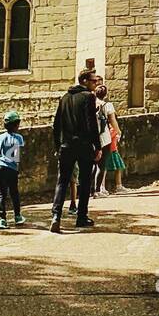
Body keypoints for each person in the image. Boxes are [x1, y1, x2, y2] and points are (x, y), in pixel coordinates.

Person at [51, 70, 102, 233]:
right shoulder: (88, 97)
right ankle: (81, 217)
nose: (96, 84)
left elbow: (56, 125)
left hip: (66, 146)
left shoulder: (64, 98)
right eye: (94, 81)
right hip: (83, 145)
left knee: (62, 181)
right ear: (85, 81)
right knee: (85, 181)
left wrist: (57, 146)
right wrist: (98, 146)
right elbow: (91, 123)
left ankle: (56, 216)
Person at [0, 111, 25, 230]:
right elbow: (18, 154)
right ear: (16, 125)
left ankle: (2, 220)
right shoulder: (18, 138)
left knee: (1, 194)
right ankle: (17, 216)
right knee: (14, 193)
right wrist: (17, 166)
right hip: (12, 168)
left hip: (0, 167)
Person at [97, 80, 127, 195]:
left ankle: (98, 188)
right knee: (102, 166)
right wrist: (118, 131)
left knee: (98, 165)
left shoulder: (93, 103)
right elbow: (112, 120)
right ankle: (101, 187)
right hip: (105, 139)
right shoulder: (107, 105)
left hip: (95, 136)